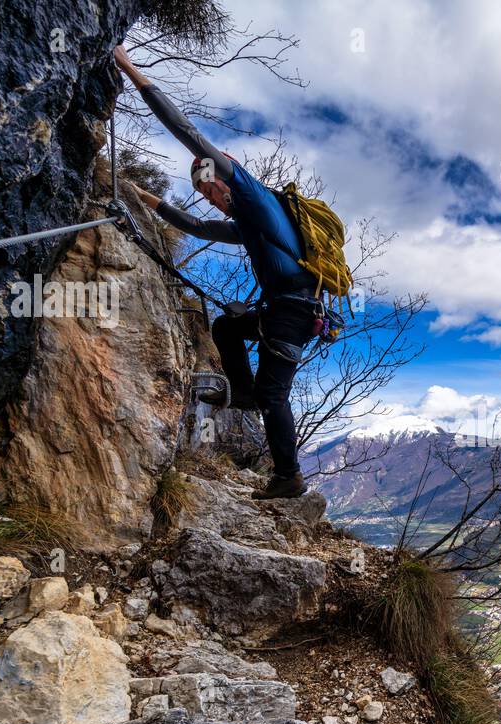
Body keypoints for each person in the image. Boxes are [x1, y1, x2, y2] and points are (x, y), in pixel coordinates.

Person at [113, 44, 316, 500]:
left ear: (221, 176)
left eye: (208, 188)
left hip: (293, 314)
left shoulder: (253, 197)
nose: (208, 198)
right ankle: (241, 394)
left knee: (274, 395)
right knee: (226, 326)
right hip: (284, 311)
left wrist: (129, 69)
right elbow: (195, 226)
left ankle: (289, 477)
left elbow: (188, 134)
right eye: (204, 193)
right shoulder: (252, 224)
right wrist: (141, 196)